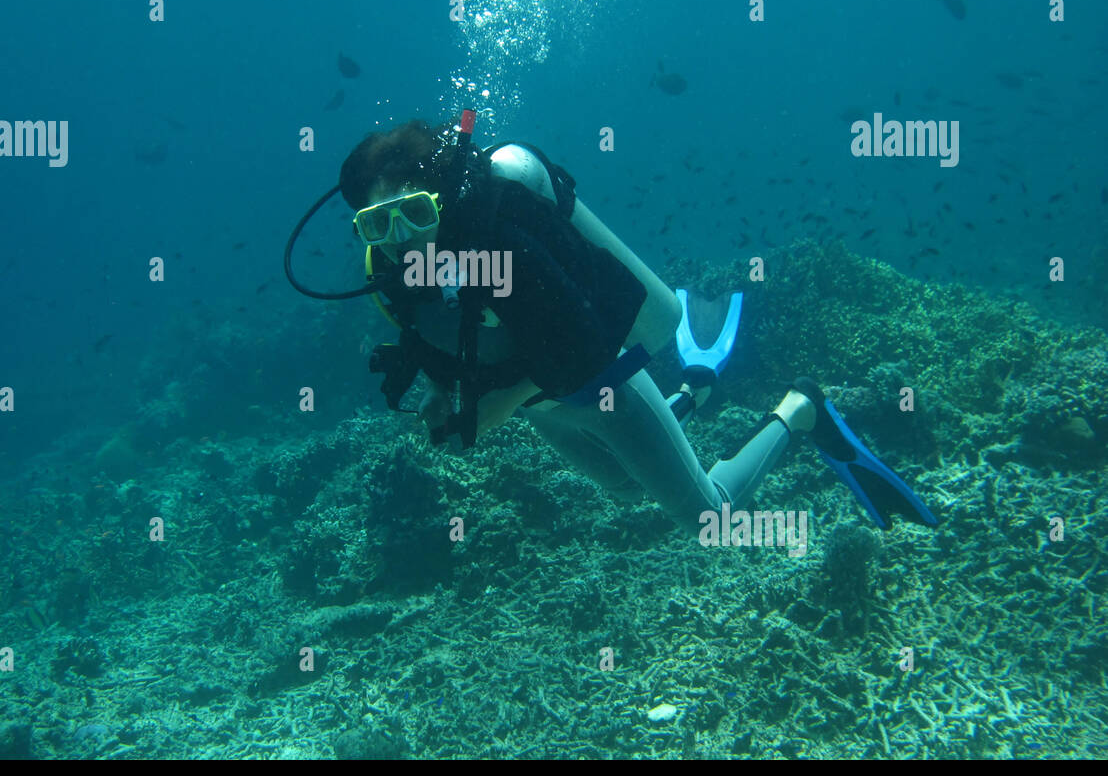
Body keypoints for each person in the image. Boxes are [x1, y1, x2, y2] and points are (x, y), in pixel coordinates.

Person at [287, 112, 937, 531]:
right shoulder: (390, 273)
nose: (401, 240)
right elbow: (444, 341)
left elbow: (582, 346)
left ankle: (802, 407)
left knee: (708, 520)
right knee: (626, 491)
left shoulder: (500, 232)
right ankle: (697, 390)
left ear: (440, 202)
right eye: (378, 224)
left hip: (596, 379)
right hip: (545, 403)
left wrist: (495, 410)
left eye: (413, 215)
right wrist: (443, 395)